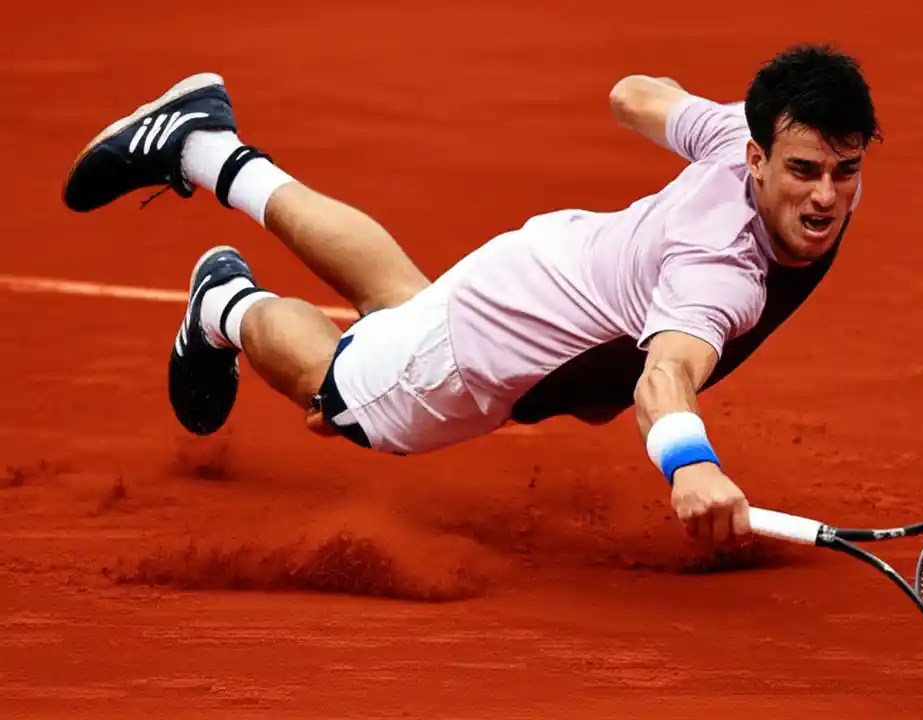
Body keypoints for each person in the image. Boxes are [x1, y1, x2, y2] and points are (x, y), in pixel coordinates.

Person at [62, 43, 880, 548]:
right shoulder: (720, 268)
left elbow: (633, 95)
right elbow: (665, 376)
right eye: (802, 171)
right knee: (337, 397)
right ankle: (223, 301)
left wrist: (695, 112)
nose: (824, 198)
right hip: (494, 343)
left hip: (542, 265)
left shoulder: (739, 134)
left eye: (845, 173)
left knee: (399, 306)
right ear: (757, 159)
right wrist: (690, 464)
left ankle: (206, 139)